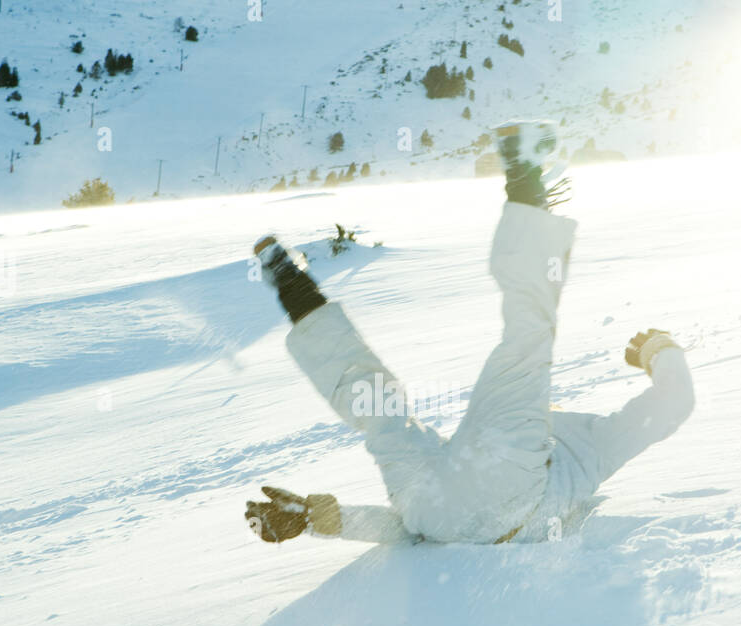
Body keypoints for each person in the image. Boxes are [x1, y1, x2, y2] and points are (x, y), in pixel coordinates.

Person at [245, 120, 695, 545]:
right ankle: (290, 282)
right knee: (377, 408)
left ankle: (524, 171)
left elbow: (676, 402)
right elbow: (409, 530)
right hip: (437, 511)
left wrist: (660, 349)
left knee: (527, 335)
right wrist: (316, 518)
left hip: (498, 490)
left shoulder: (589, 445)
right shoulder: (594, 450)